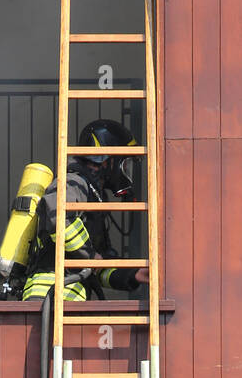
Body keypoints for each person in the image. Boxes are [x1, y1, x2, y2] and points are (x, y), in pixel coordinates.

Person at [22, 119, 149, 301]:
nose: (126, 171)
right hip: (46, 296)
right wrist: (89, 256)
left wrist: (132, 274)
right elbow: (57, 215)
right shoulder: (74, 182)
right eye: (124, 162)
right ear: (108, 160)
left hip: (69, 296)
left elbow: (96, 266)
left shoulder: (94, 195)